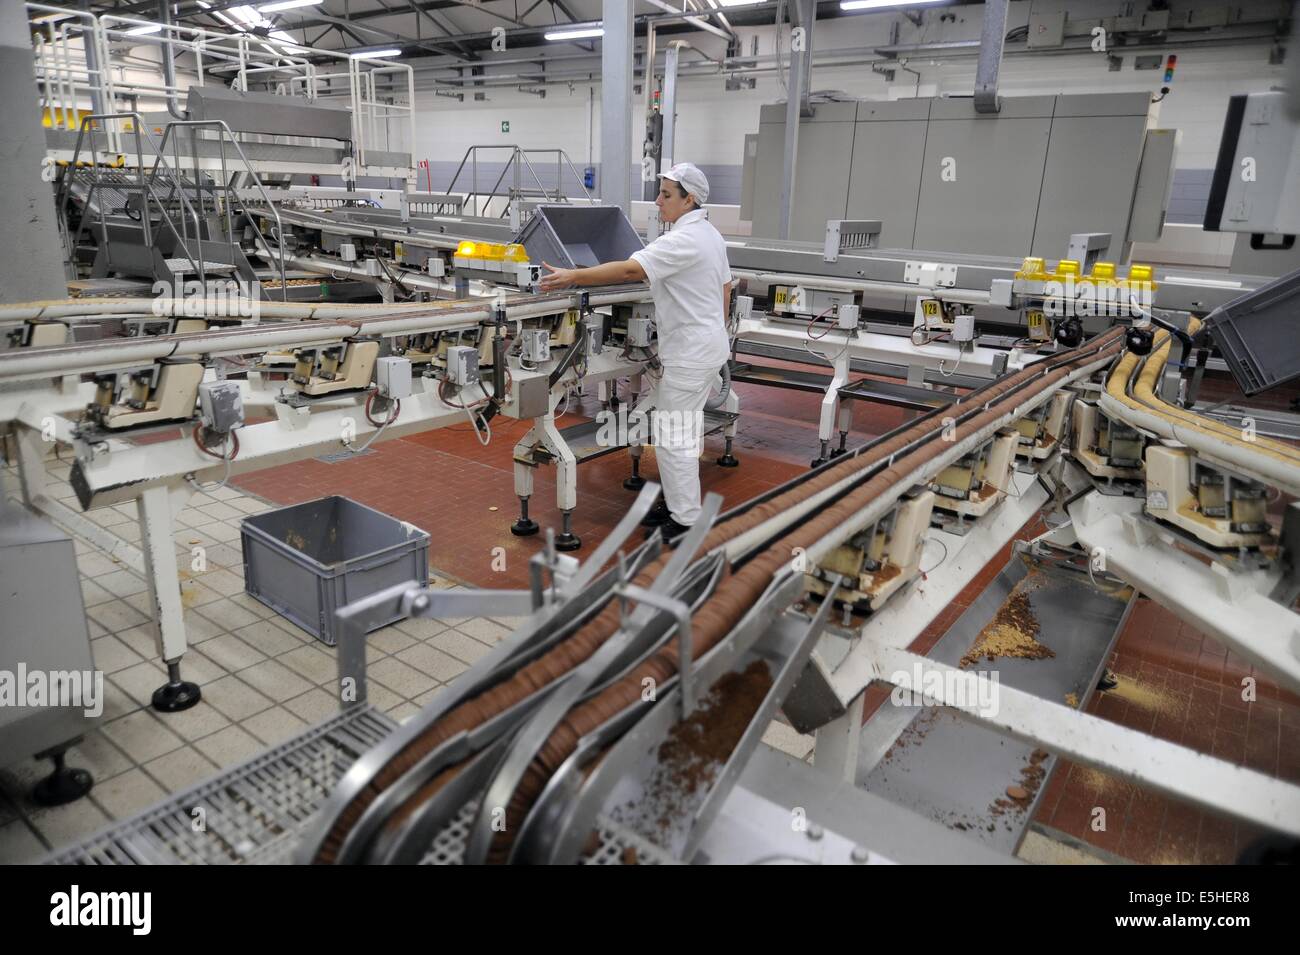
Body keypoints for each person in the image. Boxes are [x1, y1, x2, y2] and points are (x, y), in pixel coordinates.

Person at [539, 162, 733, 540]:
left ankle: (686, 520)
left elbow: (631, 272)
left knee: (673, 434)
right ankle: (680, 501)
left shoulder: (682, 240)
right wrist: (711, 330)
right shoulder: (709, 234)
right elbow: (725, 287)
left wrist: (572, 277)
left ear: (689, 199)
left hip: (692, 354)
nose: (657, 201)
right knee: (679, 429)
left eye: (666, 194)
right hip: (706, 347)